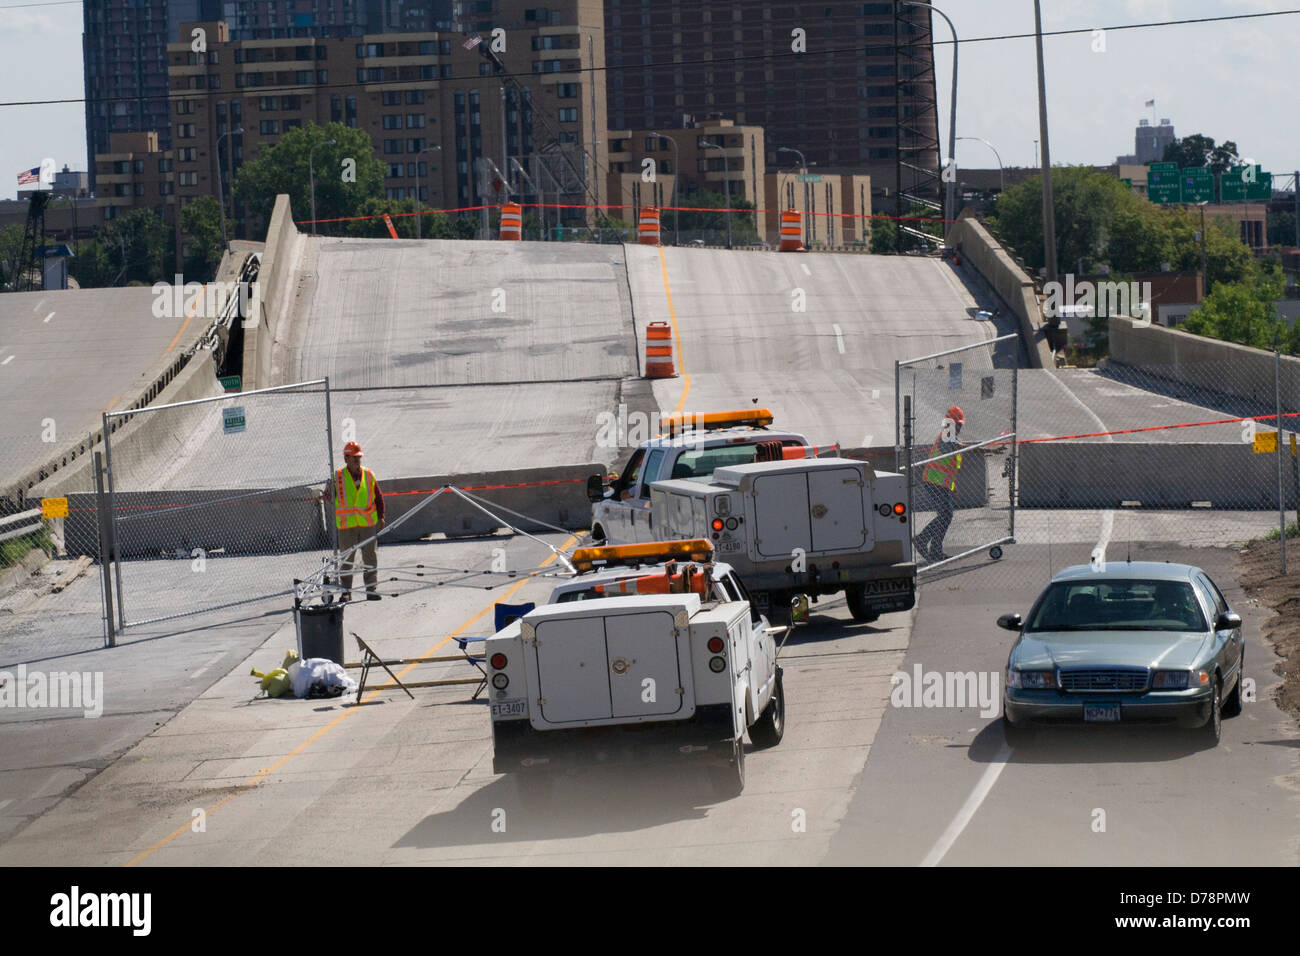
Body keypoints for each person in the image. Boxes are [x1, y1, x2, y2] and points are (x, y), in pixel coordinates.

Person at [914, 405, 974, 562]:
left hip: (940, 483)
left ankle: (933, 550)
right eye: (958, 424)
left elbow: (950, 467)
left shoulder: (950, 435)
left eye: (961, 424)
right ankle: (924, 541)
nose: (960, 426)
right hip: (934, 482)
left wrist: (953, 487)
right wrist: (988, 449)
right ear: (951, 422)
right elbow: (959, 449)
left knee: (945, 515)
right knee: (946, 515)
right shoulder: (948, 434)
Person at [333, 440, 385, 602]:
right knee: (347, 559)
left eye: (359, 457)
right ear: (346, 458)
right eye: (353, 457)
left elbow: (378, 497)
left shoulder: (369, 475)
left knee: (370, 556)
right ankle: (346, 591)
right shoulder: (337, 477)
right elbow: (330, 495)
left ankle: (371, 589)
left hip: (367, 524)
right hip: (347, 526)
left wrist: (381, 516)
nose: (357, 460)